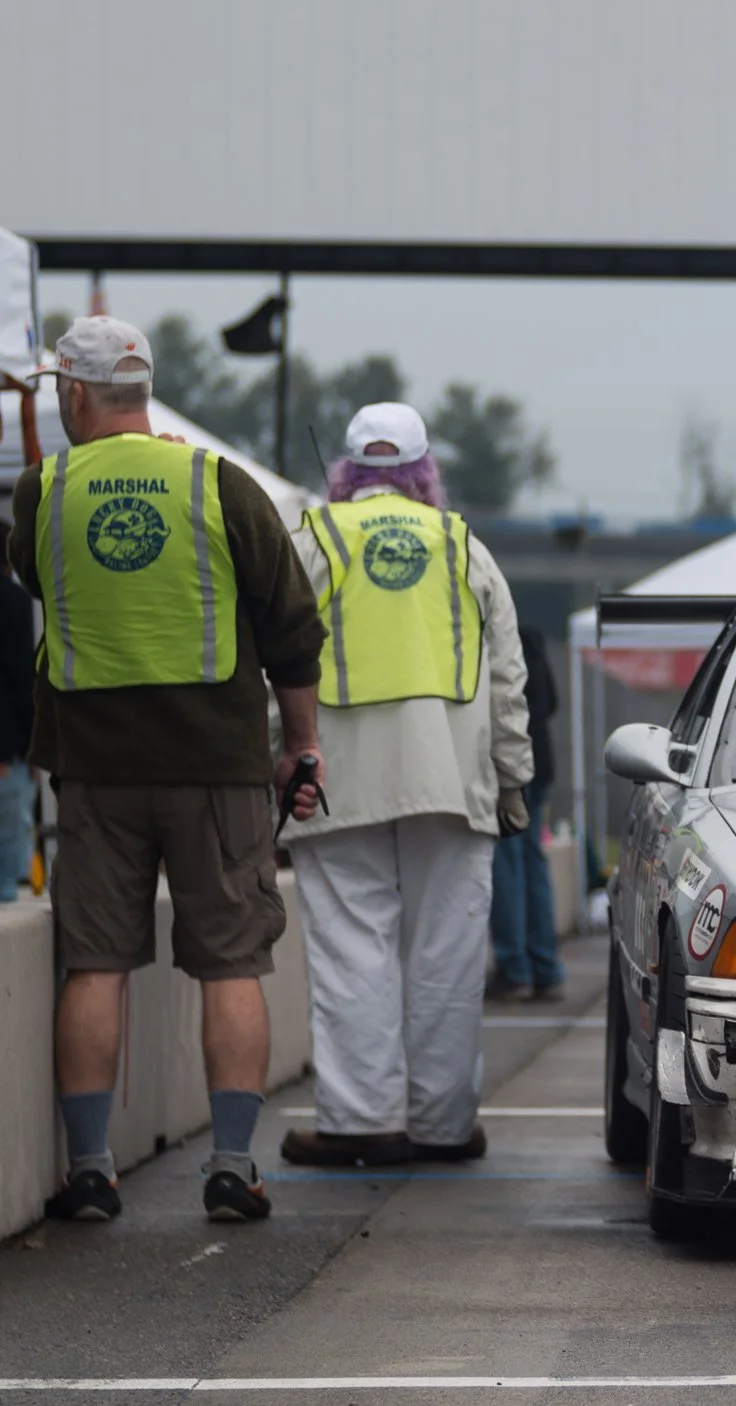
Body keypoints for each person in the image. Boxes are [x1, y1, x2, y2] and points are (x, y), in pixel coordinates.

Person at [14, 316, 328, 1222]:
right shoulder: (217, 481)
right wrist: (298, 744)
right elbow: (291, 629)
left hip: (94, 776)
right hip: (219, 771)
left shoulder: (43, 490)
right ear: (143, 392)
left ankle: (90, 1170)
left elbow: (32, 577)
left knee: (94, 965)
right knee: (231, 964)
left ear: (72, 394)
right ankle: (233, 1166)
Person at [279, 403, 534, 1168]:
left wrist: (281, 757)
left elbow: (277, 658)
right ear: (425, 473)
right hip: (454, 783)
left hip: (337, 780)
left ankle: (361, 1123)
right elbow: (507, 678)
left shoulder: (313, 540)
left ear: (347, 474)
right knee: (447, 957)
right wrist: (514, 778)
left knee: (351, 950)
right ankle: (444, 1124)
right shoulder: (464, 547)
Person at [488, 623, 562, 1002]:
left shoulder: (491, 637)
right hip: (540, 763)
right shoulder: (533, 637)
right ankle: (545, 968)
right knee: (533, 864)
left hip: (506, 765)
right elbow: (551, 702)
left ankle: (514, 967)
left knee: (507, 866)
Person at [0, 557, 37, 900]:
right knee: (7, 874)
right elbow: (24, 676)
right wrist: (34, 741)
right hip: (7, 748)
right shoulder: (15, 602)